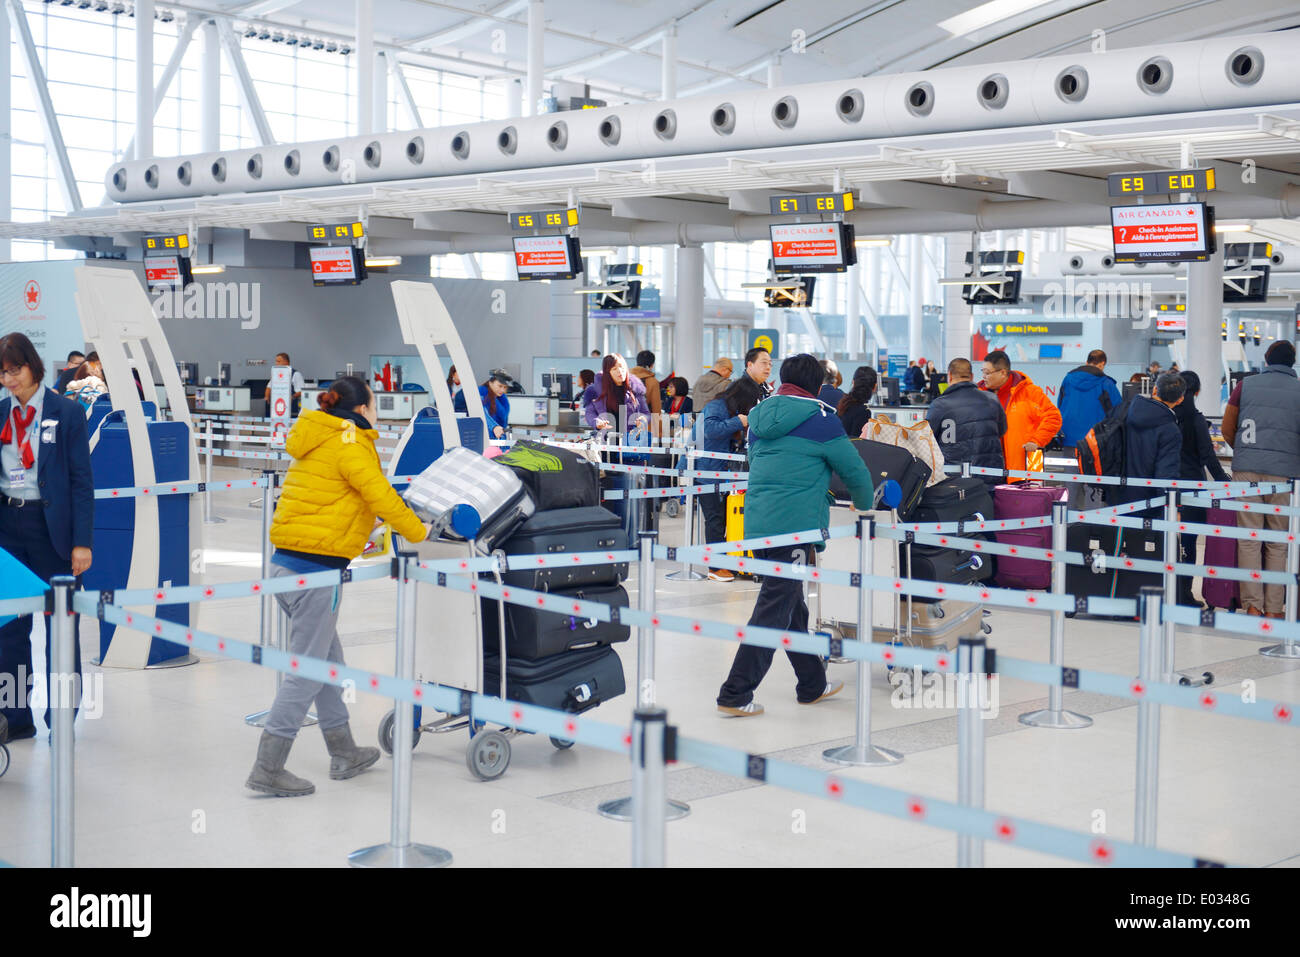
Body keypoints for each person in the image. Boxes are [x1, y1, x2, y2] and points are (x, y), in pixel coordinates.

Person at [247, 375, 431, 797]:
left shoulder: (318, 436)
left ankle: (344, 750)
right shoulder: (351, 443)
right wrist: (419, 531)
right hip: (316, 573)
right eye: (375, 403)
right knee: (306, 672)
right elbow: (380, 496)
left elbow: (338, 498)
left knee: (328, 664)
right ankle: (267, 767)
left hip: (285, 567)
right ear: (362, 408)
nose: (377, 410)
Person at [716, 354, 875, 716]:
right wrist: (864, 506)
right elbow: (855, 471)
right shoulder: (821, 419)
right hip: (796, 527)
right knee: (774, 608)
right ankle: (735, 692)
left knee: (792, 608)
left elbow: (758, 462)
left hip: (758, 523)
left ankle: (812, 683)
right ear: (818, 385)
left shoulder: (758, 415)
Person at [0, 333, 94, 741]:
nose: (9, 380)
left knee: (62, 631)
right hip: (8, 528)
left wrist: (82, 542)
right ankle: (14, 717)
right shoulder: (1, 413)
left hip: (52, 531)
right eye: (2, 373)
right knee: (9, 632)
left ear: (33, 367)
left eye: (14, 370)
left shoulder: (66, 413)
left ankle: (63, 722)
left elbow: (81, 482)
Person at [1221, 340, 1300, 618]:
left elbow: (1227, 427)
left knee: (1249, 539)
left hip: (1246, 471)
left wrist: (1244, 451)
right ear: (1293, 361)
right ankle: (1275, 609)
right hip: (1284, 474)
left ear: (1266, 360)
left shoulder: (1245, 386)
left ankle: (1252, 605)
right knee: (1278, 540)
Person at [695, 380, 760, 583]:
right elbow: (709, 430)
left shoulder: (729, 409)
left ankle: (724, 560)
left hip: (722, 472)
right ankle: (715, 567)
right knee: (714, 519)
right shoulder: (716, 406)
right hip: (707, 471)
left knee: (724, 519)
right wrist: (738, 422)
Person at [1174, 370, 1230, 607]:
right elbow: (1208, 456)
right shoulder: (1196, 419)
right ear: (1197, 392)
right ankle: (1185, 593)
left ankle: (1167, 589)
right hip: (1192, 488)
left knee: (1161, 538)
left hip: (1164, 485)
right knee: (1188, 542)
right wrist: (1224, 482)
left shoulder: (1166, 416)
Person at [979, 350, 1061, 478]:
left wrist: (1037, 441)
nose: (984, 376)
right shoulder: (978, 394)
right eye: (982, 372)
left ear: (1002, 373)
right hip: (986, 471)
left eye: (987, 373)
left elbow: (1053, 417)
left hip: (1023, 471)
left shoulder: (1029, 392)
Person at [926, 357, 1007, 484]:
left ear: (950, 376)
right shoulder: (992, 400)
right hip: (989, 476)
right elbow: (1002, 430)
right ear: (972, 376)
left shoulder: (940, 405)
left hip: (954, 479)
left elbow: (927, 439)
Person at [1116, 373, 1184, 516]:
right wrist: (1173, 507)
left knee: (1118, 536)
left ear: (1154, 390)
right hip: (1149, 503)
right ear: (1180, 400)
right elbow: (1166, 473)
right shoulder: (1170, 430)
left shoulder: (1126, 410)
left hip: (1118, 494)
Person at [1058, 349, 1122, 449]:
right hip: (1095, 442)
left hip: (1068, 439)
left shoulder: (1067, 380)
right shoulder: (1106, 384)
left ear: (1087, 362)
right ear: (1102, 364)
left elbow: (1060, 406)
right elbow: (1118, 413)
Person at [581, 354, 649, 431]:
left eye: (621, 366)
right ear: (607, 372)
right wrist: (596, 422)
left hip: (628, 439)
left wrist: (643, 419)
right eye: (614, 369)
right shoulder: (595, 391)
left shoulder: (635, 389)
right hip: (606, 439)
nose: (619, 371)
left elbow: (645, 413)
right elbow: (589, 413)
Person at [454, 371, 511, 439]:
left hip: (494, 436)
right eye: (500, 386)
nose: (502, 390)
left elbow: (503, 418)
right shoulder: (481, 391)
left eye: (505, 387)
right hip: (474, 434)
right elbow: (480, 411)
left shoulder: (501, 398)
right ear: (490, 383)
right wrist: (494, 427)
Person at [836, 366, 878, 439]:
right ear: (874, 387)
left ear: (853, 382)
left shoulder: (843, 403)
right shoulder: (864, 412)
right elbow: (859, 443)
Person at [263, 352, 305, 417]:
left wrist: (292, 397)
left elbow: (301, 391)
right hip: (277, 409)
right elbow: (269, 387)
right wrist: (267, 397)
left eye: (278, 361)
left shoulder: (295, 374)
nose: (276, 364)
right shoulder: (275, 374)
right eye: (276, 361)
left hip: (291, 410)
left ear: (286, 362)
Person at [630, 350, 661, 416]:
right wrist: (658, 426)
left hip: (624, 421)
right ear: (652, 365)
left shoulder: (625, 377)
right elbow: (656, 410)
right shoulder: (653, 382)